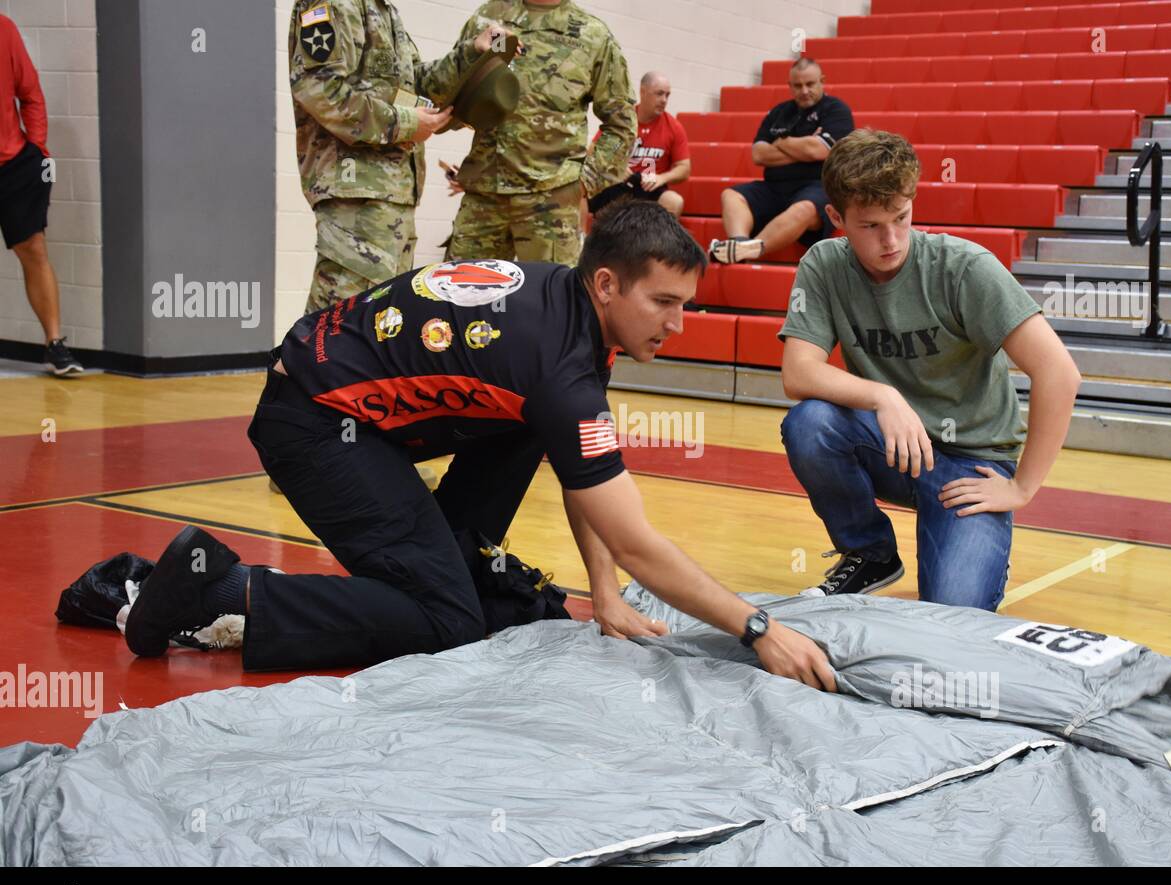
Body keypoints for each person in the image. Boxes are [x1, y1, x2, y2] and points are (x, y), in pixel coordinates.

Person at [124, 203, 836, 693]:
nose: (678, 325)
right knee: (450, 622)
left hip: (347, 399)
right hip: (312, 422)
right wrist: (757, 628)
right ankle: (221, 587)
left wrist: (608, 592)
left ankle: (458, 560)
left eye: (686, 305)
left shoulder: (570, 305)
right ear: (610, 284)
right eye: (665, 304)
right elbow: (638, 539)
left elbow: (580, 470)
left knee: (527, 433)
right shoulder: (559, 367)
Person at [779, 129, 1082, 612]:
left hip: (970, 466)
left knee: (952, 615)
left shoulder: (962, 267)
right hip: (893, 445)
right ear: (835, 218)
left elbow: (1059, 373)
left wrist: (1023, 487)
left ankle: (949, 539)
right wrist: (885, 397)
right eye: (871, 225)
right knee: (810, 423)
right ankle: (870, 553)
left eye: (901, 218)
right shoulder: (824, 264)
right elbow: (798, 373)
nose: (891, 239)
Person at [289, 0, 503, 312]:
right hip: (355, 191)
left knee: (381, 323)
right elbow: (321, 90)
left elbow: (417, 87)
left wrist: (470, 52)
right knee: (342, 323)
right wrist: (407, 123)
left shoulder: (385, 11)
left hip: (394, 194)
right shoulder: (333, 3)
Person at [444, 0, 637, 266]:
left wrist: (585, 183)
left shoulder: (591, 35)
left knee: (549, 302)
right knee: (462, 298)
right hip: (484, 196)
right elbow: (452, 89)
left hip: (551, 203)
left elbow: (622, 123)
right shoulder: (489, 17)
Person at [709, 57, 853, 265]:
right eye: (797, 85)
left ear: (822, 80)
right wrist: (804, 145)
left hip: (817, 187)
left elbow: (818, 151)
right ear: (790, 86)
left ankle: (749, 251)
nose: (804, 91)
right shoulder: (780, 112)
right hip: (774, 188)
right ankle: (739, 243)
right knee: (731, 195)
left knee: (803, 208)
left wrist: (780, 141)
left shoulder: (836, 110)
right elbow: (758, 154)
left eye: (810, 84)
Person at [0, 13, 81, 376]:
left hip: (14, 163)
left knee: (33, 249)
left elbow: (30, 95)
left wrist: (38, 150)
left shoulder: (4, 29)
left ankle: (55, 345)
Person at [587, 71, 690, 219]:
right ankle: (584, 237)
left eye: (667, 95)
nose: (664, 100)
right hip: (618, 184)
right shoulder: (622, 120)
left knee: (675, 201)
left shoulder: (673, 127)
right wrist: (615, 167)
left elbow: (684, 168)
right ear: (643, 92)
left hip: (650, 188)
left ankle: (656, 242)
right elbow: (592, 151)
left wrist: (662, 178)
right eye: (659, 94)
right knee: (580, 188)